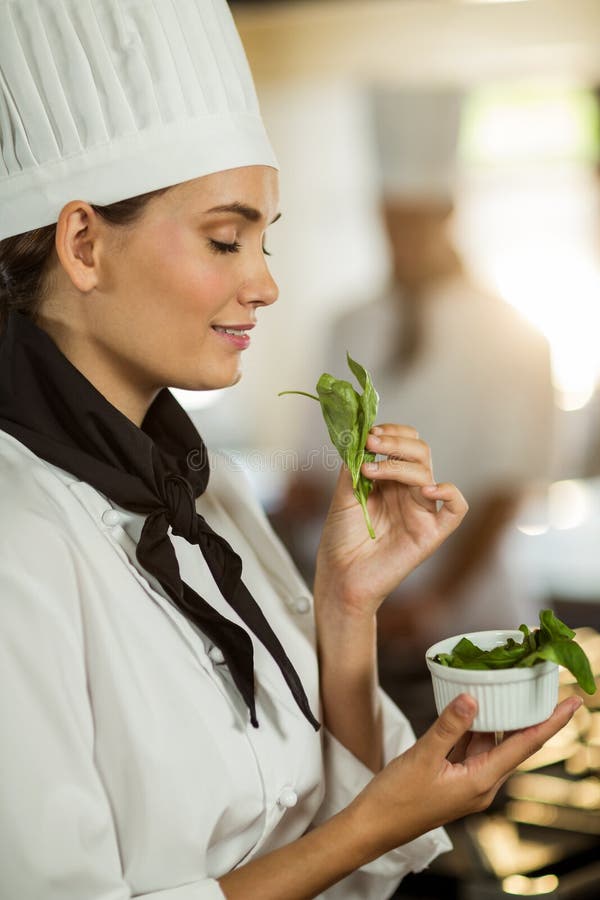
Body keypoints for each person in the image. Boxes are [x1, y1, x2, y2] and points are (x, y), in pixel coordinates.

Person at [0, 4, 578, 899]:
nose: (266, 283)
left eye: (265, 240)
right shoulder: (18, 542)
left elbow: (323, 840)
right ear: (82, 243)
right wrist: (383, 819)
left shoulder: (212, 491)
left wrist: (346, 609)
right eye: (227, 239)